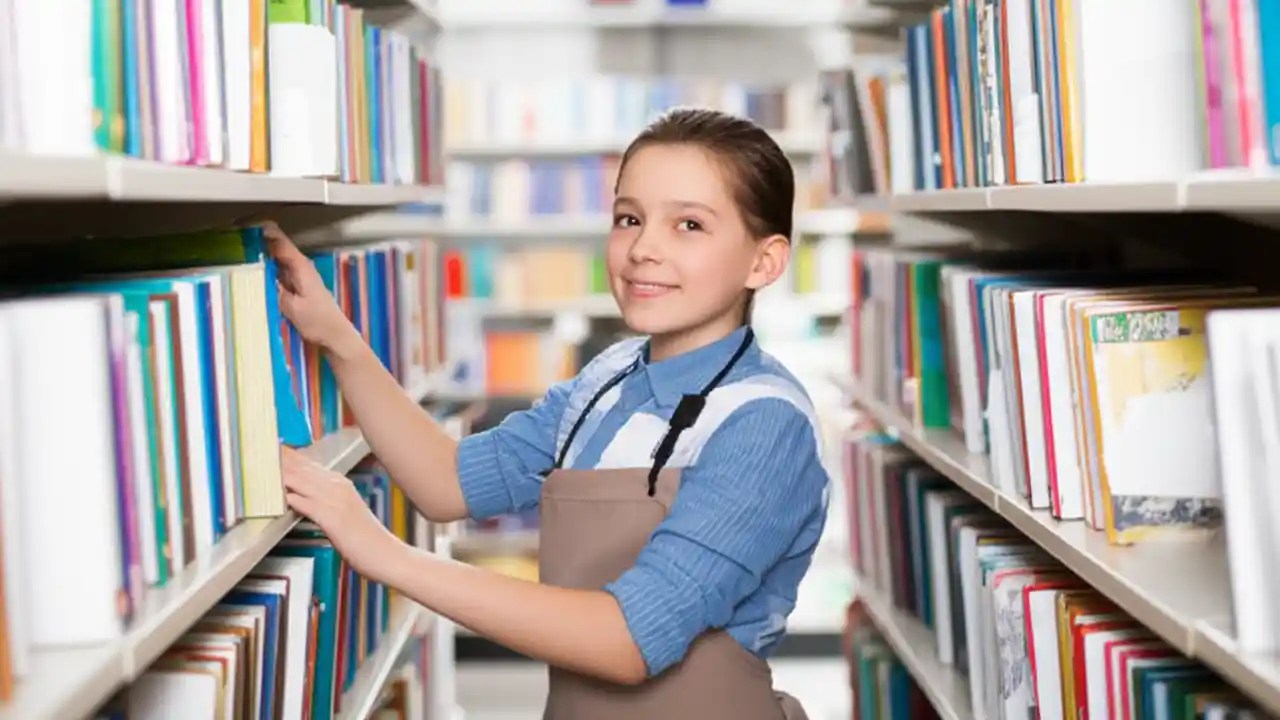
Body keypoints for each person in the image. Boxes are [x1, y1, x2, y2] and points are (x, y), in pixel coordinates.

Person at [269, 107, 829, 720]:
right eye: (630, 218)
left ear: (764, 262)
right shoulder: (606, 380)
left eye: (689, 224)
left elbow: (628, 642)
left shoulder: (764, 424)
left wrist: (391, 557)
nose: (643, 248)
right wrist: (338, 340)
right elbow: (446, 482)